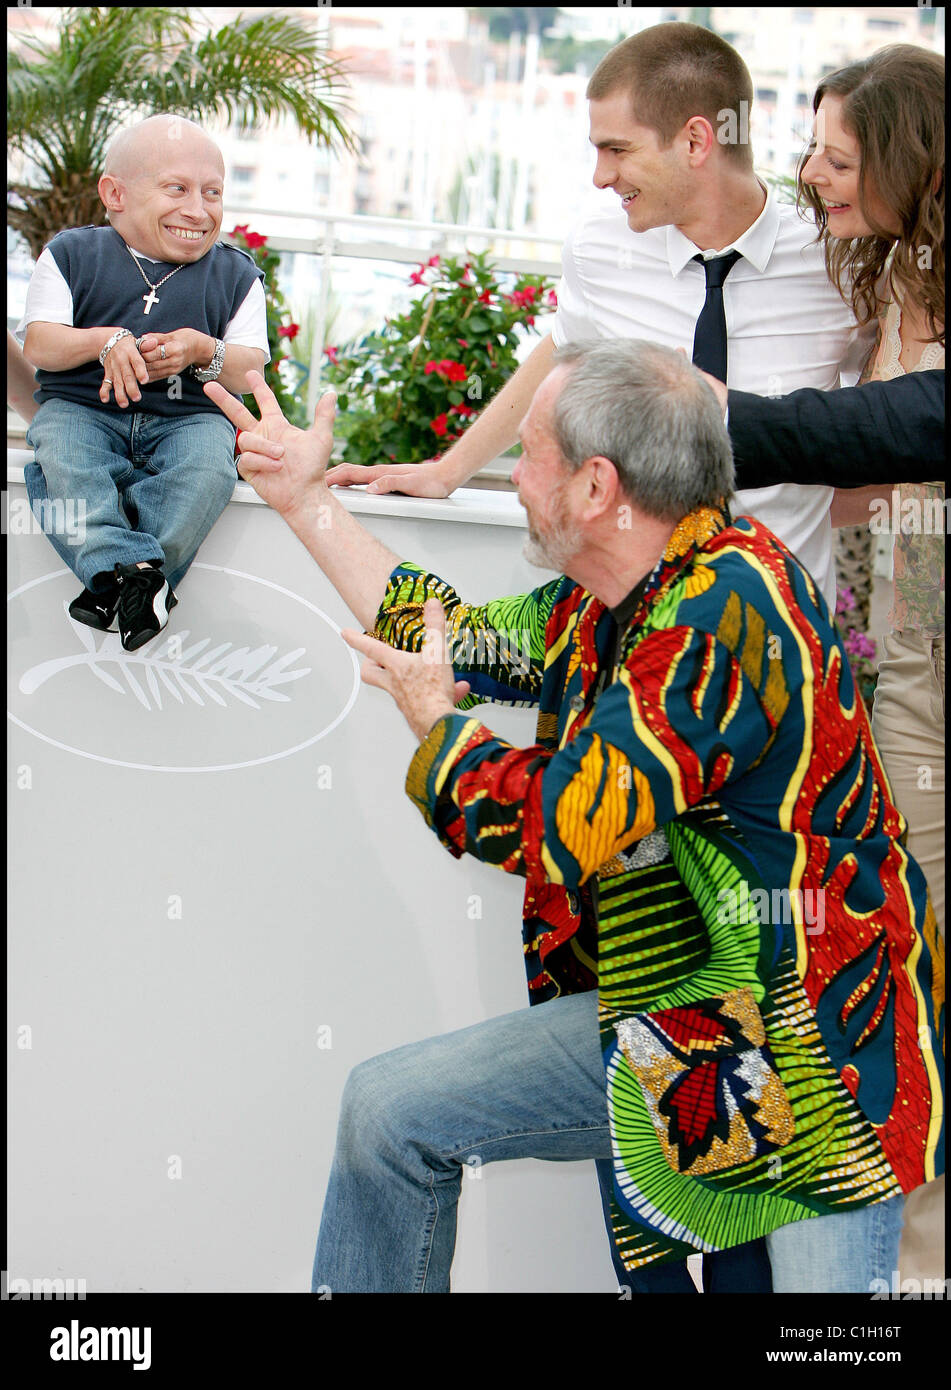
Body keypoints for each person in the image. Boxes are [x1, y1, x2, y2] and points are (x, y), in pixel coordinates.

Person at [204, 346, 944, 1293]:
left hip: (818, 1067)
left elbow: (562, 826)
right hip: (675, 1023)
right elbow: (449, 636)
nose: (516, 478)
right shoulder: (612, 596)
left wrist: (439, 727)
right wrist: (306, 501)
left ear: (596, 485)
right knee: (388, 1112)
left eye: (532, 454)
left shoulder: (722, 610)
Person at [326, 22, 875, 617]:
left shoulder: (837, 263)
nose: (601, 175)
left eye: (617, 149)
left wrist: (801, 501)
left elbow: (877, 425)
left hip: (779, 627)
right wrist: (448, 470)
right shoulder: (598, 245)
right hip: (628, 624)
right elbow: (564, 351)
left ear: (696, 141)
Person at [798, 44, 945, 1284]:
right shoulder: (893, 279)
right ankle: (895, 1273)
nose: (814, 176)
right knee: (903, 968)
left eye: (841, 159)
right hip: (906, 684)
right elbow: (867, 490)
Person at [17, 114, 268, 651]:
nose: (197, 210)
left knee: (207, 469)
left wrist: (203, 350)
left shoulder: (238, 273)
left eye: (212, 193)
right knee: (62, 452)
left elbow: (251, 369)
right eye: (176, 189)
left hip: (190, 419)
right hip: (83, 411)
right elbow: (39, 343)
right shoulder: (70, 253)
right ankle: (140, 577)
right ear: (115, 194)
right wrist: (102, 341)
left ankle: (114, 579)